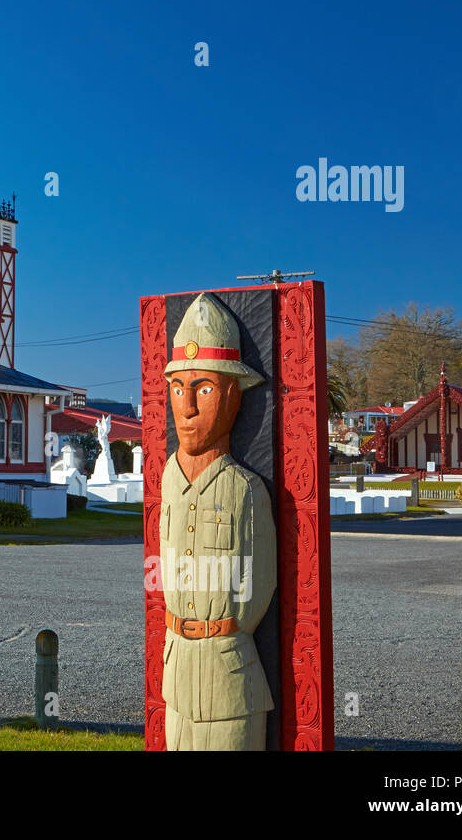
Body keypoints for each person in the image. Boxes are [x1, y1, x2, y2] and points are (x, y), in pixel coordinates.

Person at [159, 292, 276, 750]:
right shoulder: (168, 478)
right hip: (176, 670)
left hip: (229, 676)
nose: (186, 407)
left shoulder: (245, 490)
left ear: (231, 396)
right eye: (178, 388)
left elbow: (256, 591)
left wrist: (216, 624)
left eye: (203, 388)